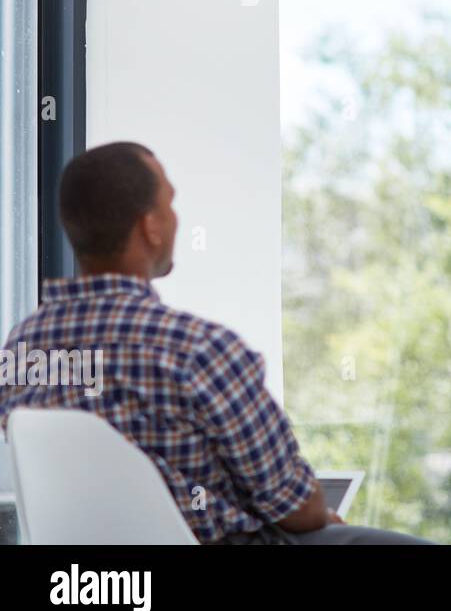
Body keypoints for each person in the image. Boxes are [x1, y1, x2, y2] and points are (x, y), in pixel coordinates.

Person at [0, 142, 426, 545]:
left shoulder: (21, 348)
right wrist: (316, 516)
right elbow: (295, 506)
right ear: (150, 227)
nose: (175, 219)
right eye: (170, 204)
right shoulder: (196, 349)